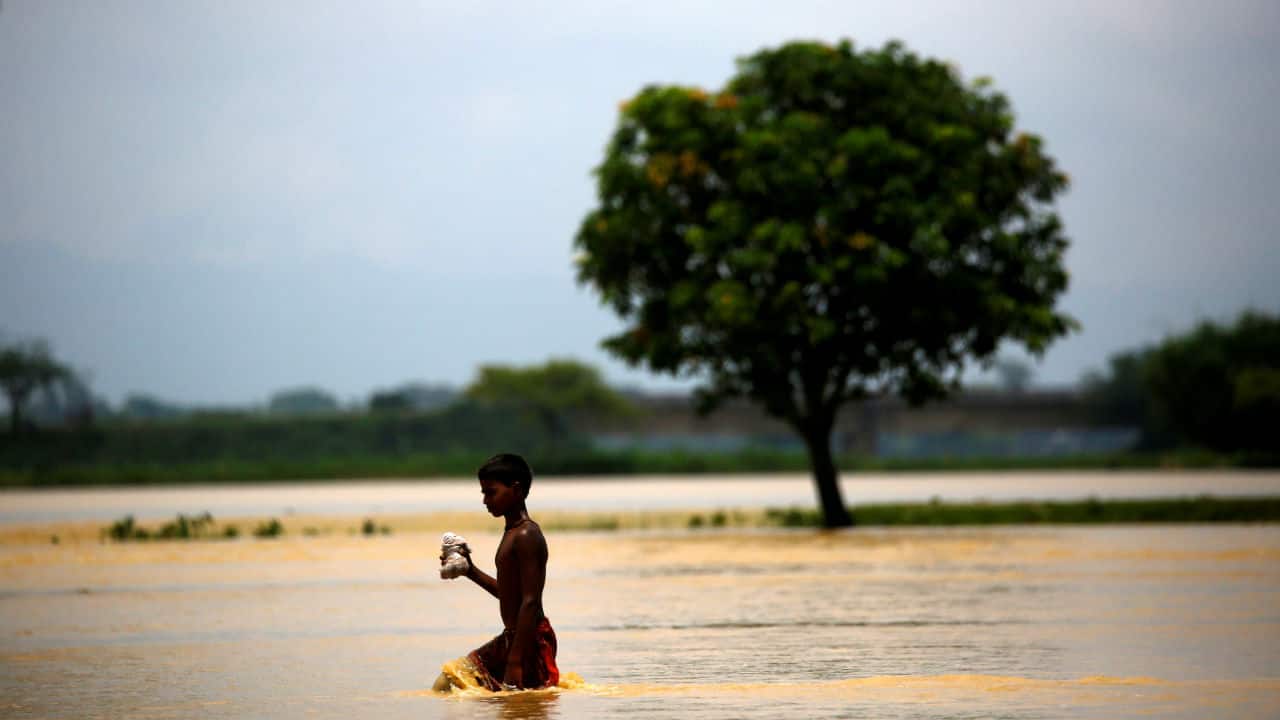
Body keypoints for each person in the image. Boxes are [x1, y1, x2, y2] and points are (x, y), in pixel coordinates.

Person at [435, 453, 559, 691]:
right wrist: (470, 571)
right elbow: (510, 595)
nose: (485, 500)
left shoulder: (526, 535)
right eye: (483, 492)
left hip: (528, 641)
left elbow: (531, 603)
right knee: (450, 683)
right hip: (513, 638)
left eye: (491, 492)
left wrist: (515, 660)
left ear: (516, 489)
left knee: (520, 706)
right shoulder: (512, 532)